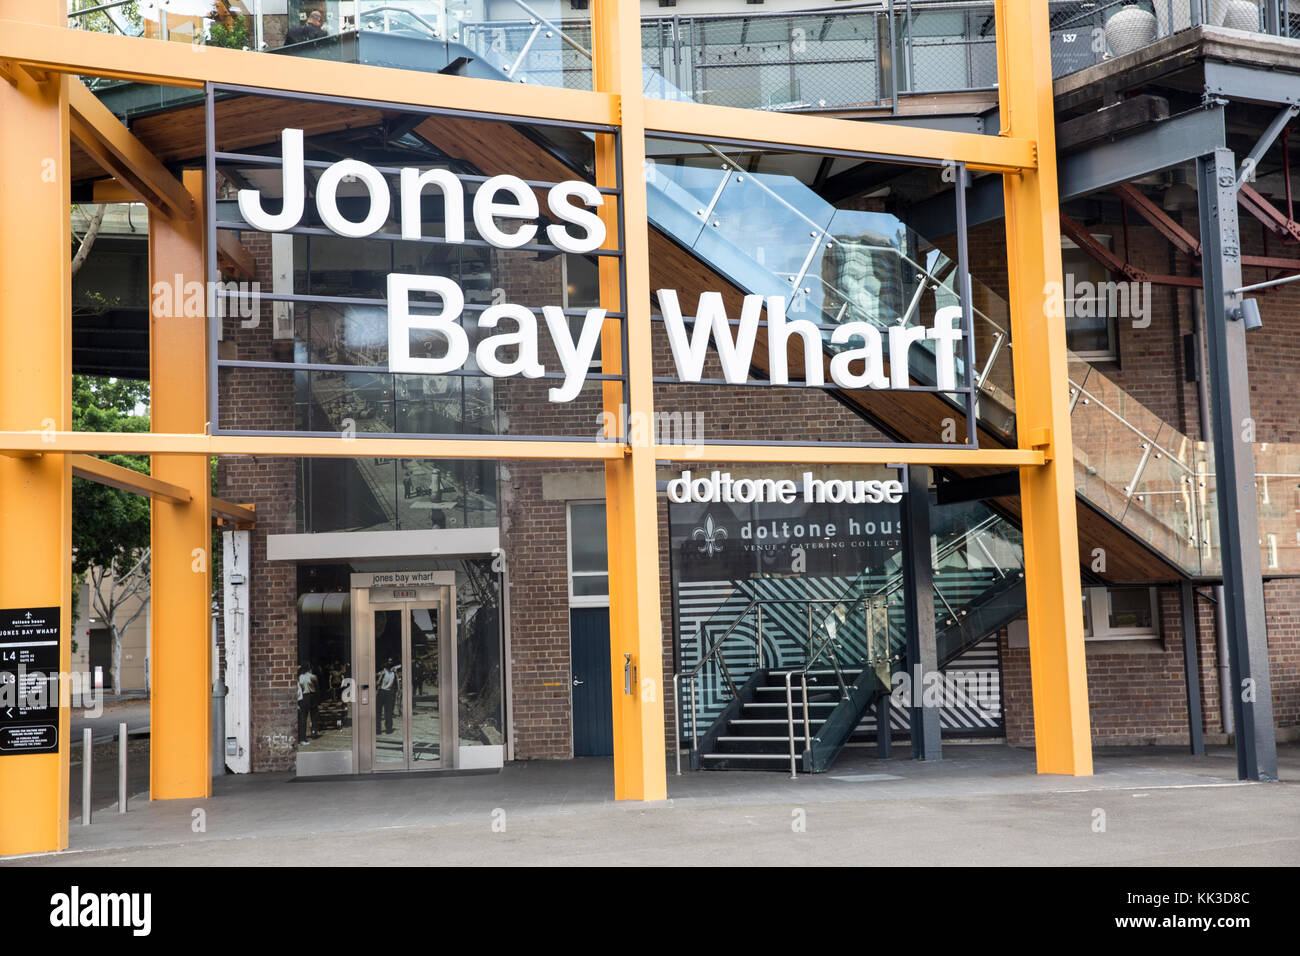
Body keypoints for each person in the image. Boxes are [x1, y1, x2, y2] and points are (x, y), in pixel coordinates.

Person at [377, 657, 398, 735]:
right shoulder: (394, 674)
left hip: (382, 692)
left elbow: (378, 682)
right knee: (388, 712)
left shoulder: (383, 672)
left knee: (378, 712)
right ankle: (388, 729)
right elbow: (396, 685)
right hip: (389, 693)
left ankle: (378, 730)